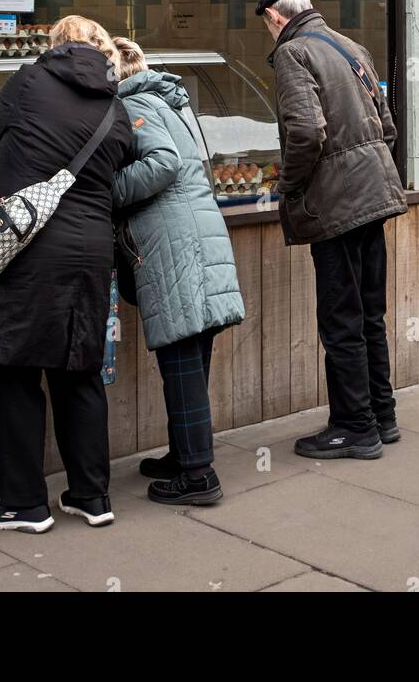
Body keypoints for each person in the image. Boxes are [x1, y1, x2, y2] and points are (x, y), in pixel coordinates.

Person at [0, 14, 134, 533]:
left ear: (54, 45)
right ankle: (92, 497)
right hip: (90, 252)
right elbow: (125, 156)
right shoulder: (115, 105)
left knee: (15, 369)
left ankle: (25, 505)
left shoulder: (28, 80)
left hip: (26, 249)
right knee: (79, 370)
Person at [256, 0, 407, 460]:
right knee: (369, 315)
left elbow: (305, 133)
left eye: (266, 24)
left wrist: (290, 187)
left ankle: (353, 428)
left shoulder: (292, 53)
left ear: (276, 17)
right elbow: (386, 126)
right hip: (373, 195)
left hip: (337, 204)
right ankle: (382, 417)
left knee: (340, 320)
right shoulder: (349, 46)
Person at [110, 37, 245, 507]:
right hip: (194, 241)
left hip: (175, 248)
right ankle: (185, 455)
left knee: (181, 363)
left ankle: (198, 476)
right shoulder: (168, 101)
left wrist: (107, 191)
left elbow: (163, 164)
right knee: (191, 359)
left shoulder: (134, 106)